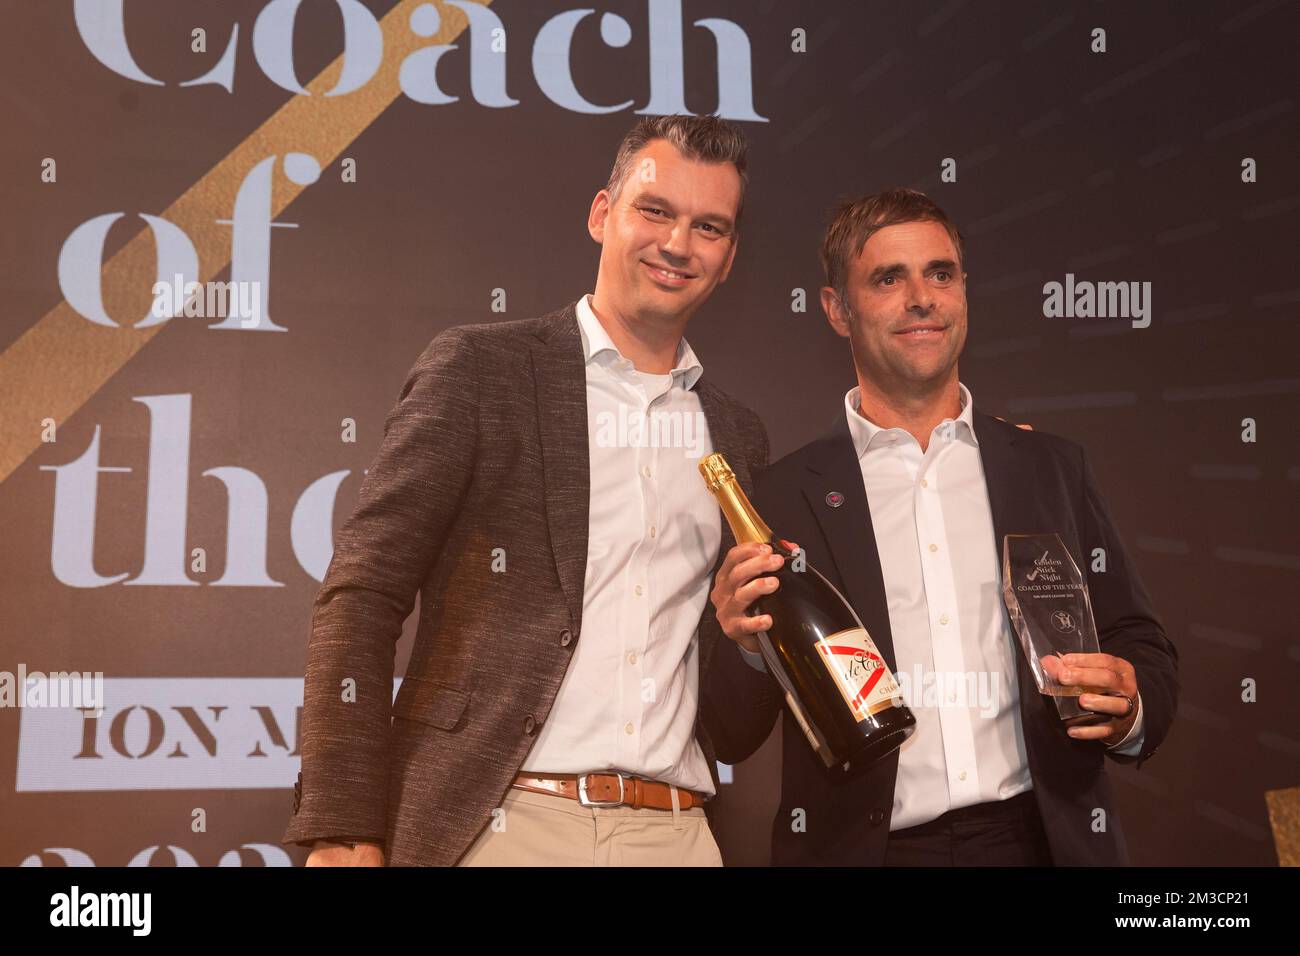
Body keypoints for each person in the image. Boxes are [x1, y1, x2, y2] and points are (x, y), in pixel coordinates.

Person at [283, 115, 768, 866]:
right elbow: (363, 593)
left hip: (678, 832)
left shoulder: (736, 434)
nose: (678, 244)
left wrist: (748, 646)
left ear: (730, 258)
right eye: (655, 210)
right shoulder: (482, 371)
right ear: (602, 213)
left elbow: (732, 721)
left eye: (709, 226)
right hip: (500, 827)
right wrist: (344, 828)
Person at [703, 188, 1179, 866]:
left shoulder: (1048, 467)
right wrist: (748, 645)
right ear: (837, 309)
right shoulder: (779, 498)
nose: (921, 297)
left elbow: (1141, 644)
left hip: (1043, 845)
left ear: (964, 292)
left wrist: (1129, 708)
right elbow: (728, 730)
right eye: (888, 278)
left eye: (940, 273)